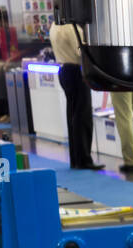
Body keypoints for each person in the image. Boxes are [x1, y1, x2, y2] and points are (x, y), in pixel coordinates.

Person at [48, 22, 103, 170]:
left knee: (72, 115)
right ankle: (84, 159)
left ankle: (75, 159)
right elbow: (80, 51)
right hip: (77, 72)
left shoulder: (54, 26)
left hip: (64, 71)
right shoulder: (73, 28)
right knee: (82, 116)